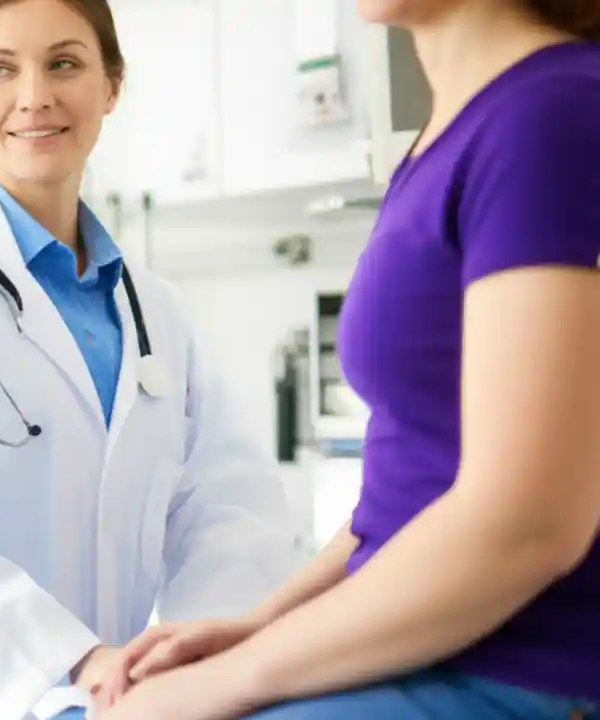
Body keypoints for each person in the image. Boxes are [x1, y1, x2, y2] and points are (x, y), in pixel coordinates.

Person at [93, 1, 600, 718]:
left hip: (524, 672)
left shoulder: (552, 112)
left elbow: (527, 526)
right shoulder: (445, 140)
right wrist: (259, 628)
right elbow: (393, 506)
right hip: (432, 652)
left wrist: (229, 681)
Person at [0, 0, 299, 717]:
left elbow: (227, 510)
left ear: (111, 85)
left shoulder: (155, 311)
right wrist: (70, 666)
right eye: (0, 69)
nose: (34, 97)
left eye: (64, 63)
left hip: (123, 703)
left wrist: (193, 657)